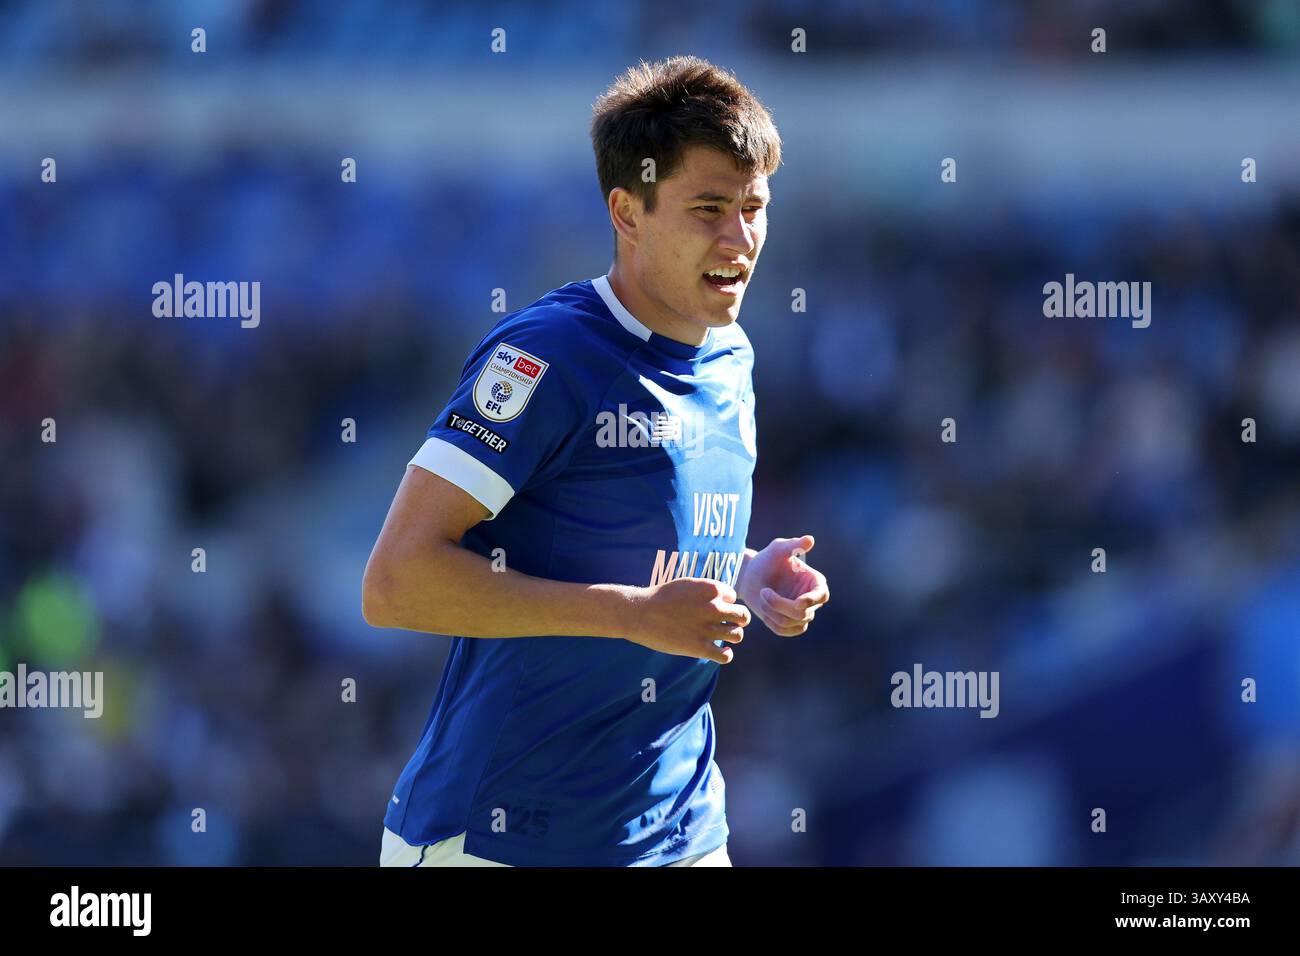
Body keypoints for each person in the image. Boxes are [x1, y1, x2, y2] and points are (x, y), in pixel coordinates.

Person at [363, 55, 829, 867]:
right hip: (501, 838)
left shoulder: (733, 358)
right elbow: (395, 581)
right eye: (710, 208)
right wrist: (631, 616)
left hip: (679, 831)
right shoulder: (546, 358)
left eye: (755, 208)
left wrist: (747, 575)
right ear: (629, 211)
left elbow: (633, 546)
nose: (740, 237)